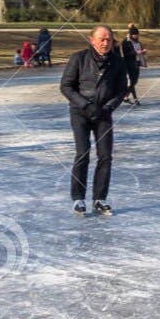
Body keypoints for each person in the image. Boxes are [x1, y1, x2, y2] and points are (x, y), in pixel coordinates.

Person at [60, 25, 131, 217]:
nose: (105, 43)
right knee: (83, 153)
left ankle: (100, 198)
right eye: (101, 39)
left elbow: (121, 90)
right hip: (80, 113)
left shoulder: (117, 62)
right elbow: (66, 86)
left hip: (104, 115)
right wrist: (85, 105)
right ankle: (78, 198)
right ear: (92, 40)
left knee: (105, 156)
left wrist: (108, 108)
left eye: (109, 39)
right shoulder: (79, 58)